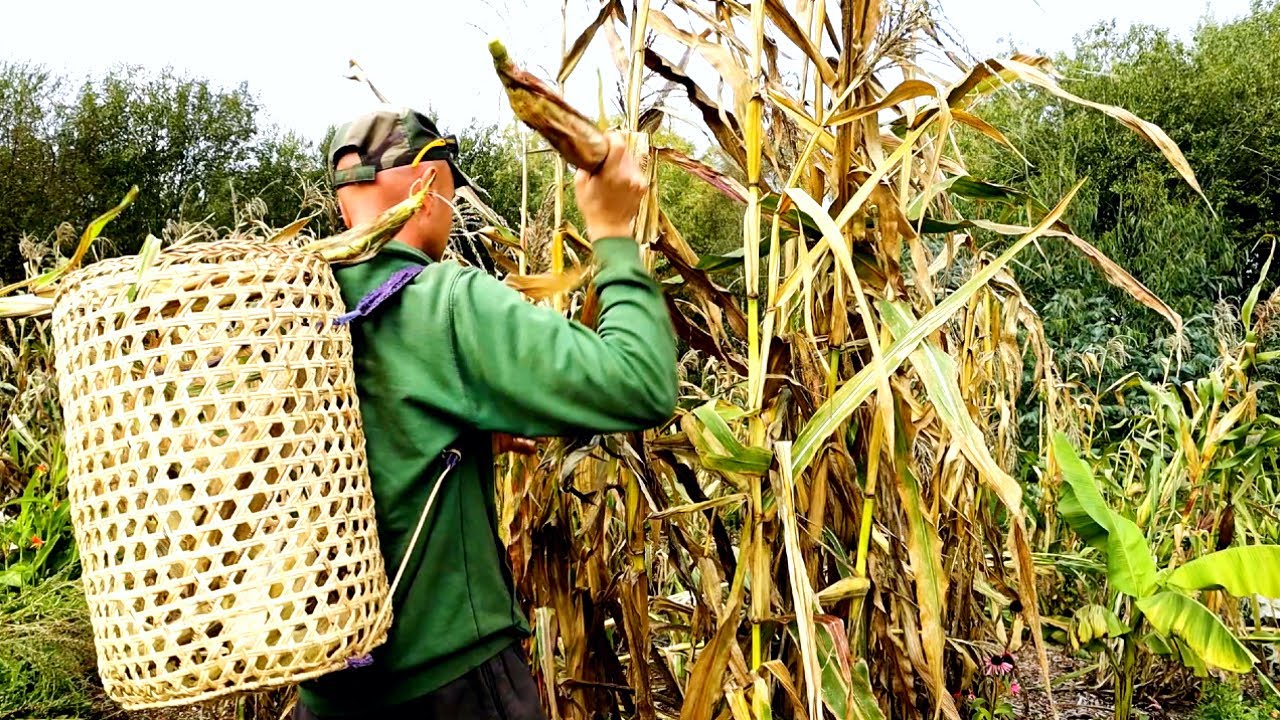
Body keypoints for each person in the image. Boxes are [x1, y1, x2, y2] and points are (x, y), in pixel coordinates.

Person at [293, 106, 678, 719]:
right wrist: (613, 234)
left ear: (344, 206)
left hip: (325, 692)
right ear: (427, 187)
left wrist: (454, 432)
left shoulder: (293, 316)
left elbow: (351, 448)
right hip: (452, 687)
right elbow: (640, 383)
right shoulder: (446, 302)